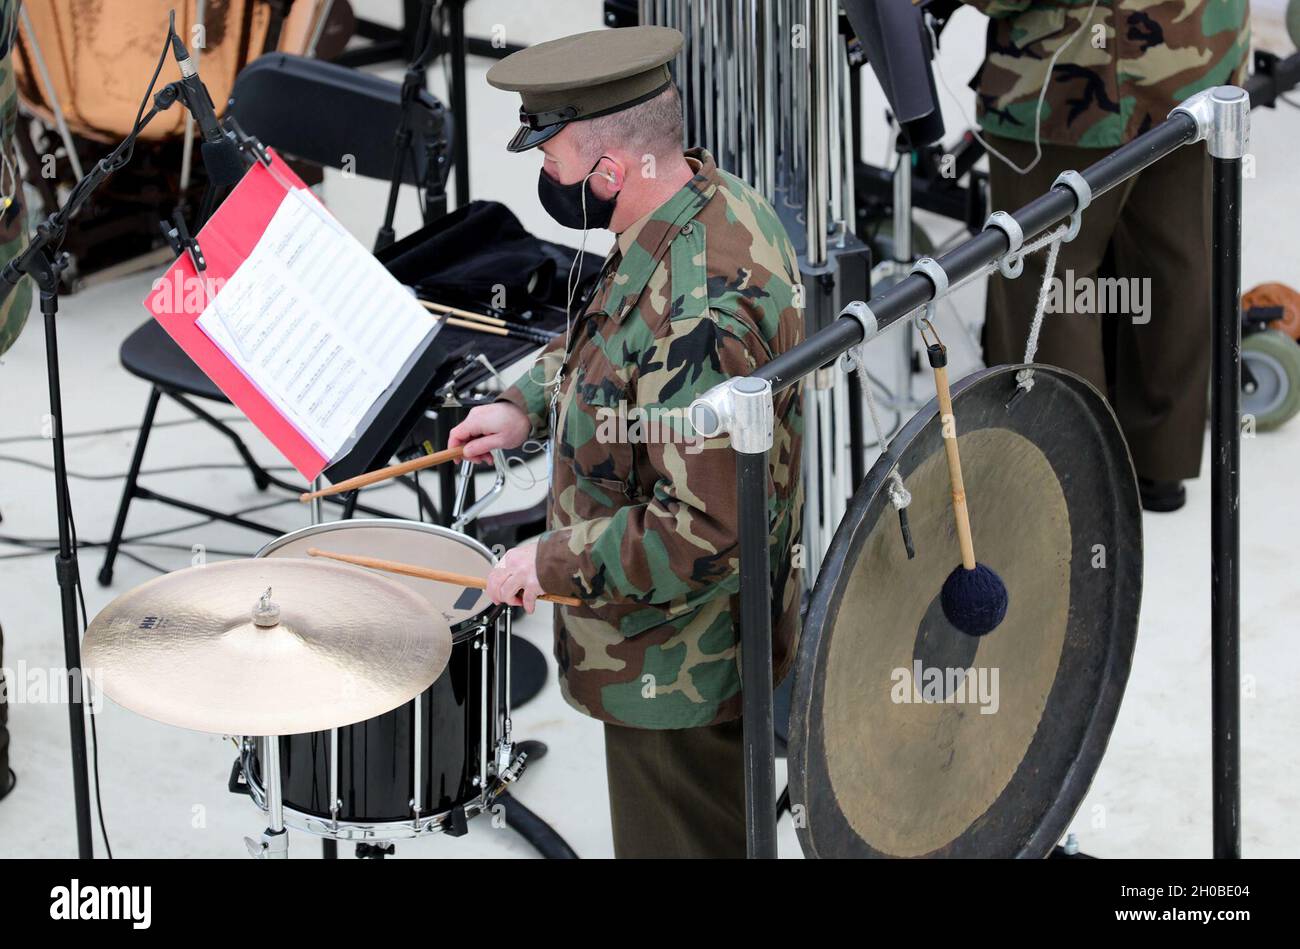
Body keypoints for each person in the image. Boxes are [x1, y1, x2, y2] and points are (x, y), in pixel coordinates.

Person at [448, 26, 804, 858]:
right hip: (675, 640)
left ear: (609, 172)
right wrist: (526, 402)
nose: (544, 178)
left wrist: (550, 561)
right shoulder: (699, 200)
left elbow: (703, 532)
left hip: (679, 664)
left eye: (552, 160)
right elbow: (613, 344)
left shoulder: (701, 314)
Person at [965, 0, 1251, 511]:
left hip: (1070, 77)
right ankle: (1159, 466)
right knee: (1174, 255)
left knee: (1051, 275)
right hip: (1198, 56)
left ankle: (1074, 486)